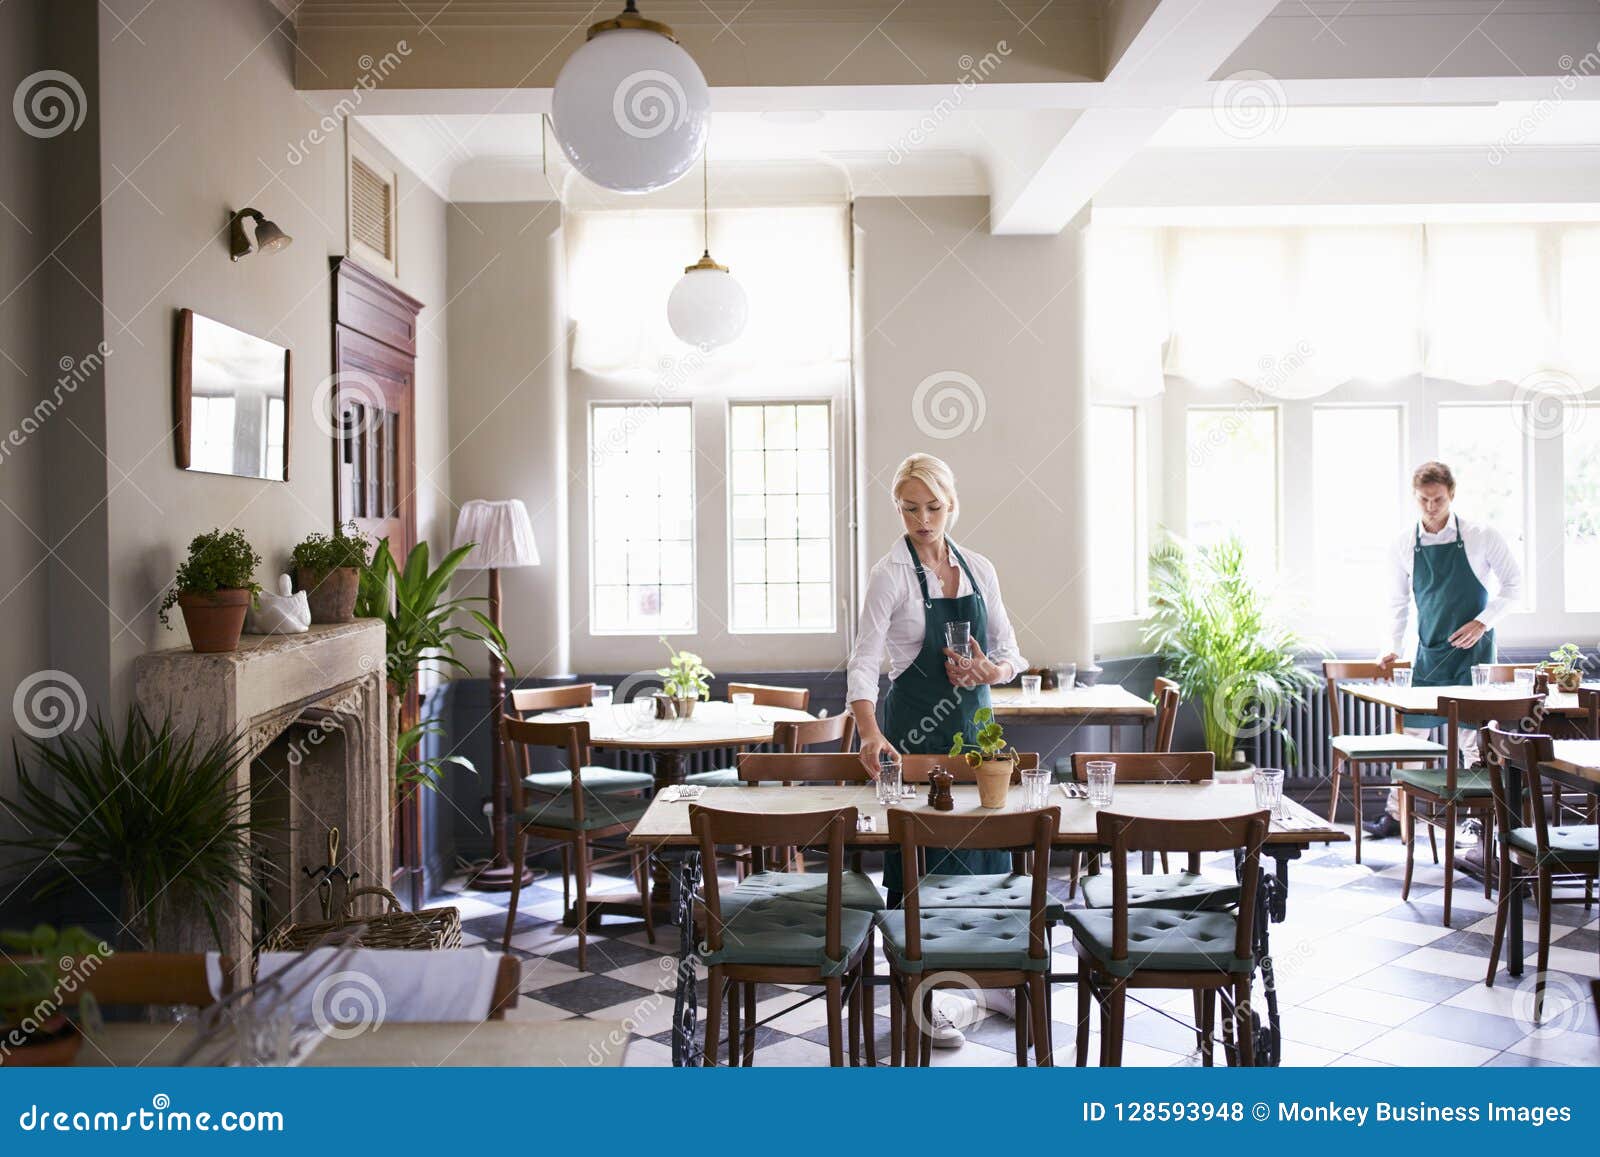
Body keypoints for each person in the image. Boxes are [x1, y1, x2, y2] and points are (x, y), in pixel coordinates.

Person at [846, 453, 1027, 1048]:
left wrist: (989, 671)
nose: (922, 520)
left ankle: (990, 980)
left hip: (977, 733)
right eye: (909, 508)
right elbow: (864, 661)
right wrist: (869, 731)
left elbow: (1010, 652)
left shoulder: (979, 569)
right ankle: (923, 995)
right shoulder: (890, 576)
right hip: (915, 737)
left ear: (952, 506)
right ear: (897, 509)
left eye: (933, 507)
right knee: (923, 859)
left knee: (986, 854)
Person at [1366, 460, 1523, 839]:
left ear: (1451, 494)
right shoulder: (1404, 543)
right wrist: (1391, 646)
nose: (1431, 507)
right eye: (1423, 500)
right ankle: (1396, 814)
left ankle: (1479, 819)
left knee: (1474, 738)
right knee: (1410, 738)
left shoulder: (1481, 535)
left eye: (1438, 499)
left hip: (1473, 655)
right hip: (1431, 652)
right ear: (1414, 498)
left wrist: (1482, 622)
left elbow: (1514, 586)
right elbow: (1397, 603)